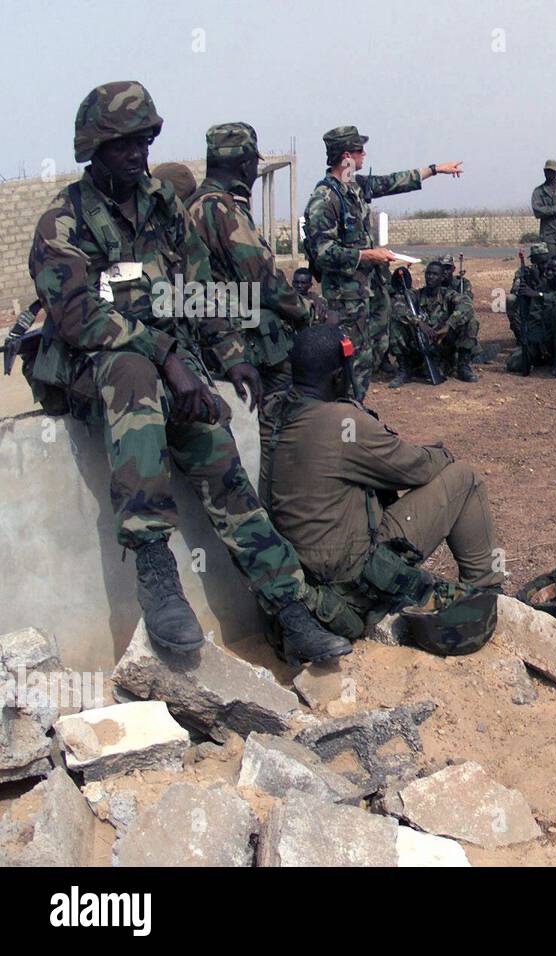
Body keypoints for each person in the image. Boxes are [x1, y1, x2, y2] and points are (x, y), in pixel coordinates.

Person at [27, 80, 348, 663]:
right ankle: (155, 569)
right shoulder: (63, 223)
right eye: (124, 144)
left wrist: (230, 356)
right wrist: (169, 358)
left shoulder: (162, 205)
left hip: (164, 367)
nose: (138, 155)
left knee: (214, 449)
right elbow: (78, 316)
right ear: (93, 148)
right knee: (133, 372)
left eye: (145, 141)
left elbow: (197, 289)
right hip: (92, 368)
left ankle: (289, 608)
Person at [263, 326, 505, 633]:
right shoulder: (342, 422)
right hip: (350, 582)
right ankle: (487, 592)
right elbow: (416, 468)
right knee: (464, 479)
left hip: (305, 579)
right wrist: (442, 454)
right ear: (338, 375)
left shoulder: (275, 414)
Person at [302, 125, 462, 397]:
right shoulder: (324, 199)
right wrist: (368, 255)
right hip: (346, 297)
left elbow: (394, 182)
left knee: (370, 352)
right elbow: (323, 252)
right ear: (345, 156)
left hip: (369, 289)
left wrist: (435, 169)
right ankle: (345, 412)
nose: (364, 154)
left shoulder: (355, 186)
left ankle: (356, 407)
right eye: (358, 150)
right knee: (350, 357)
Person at [188, 123, 311, 399]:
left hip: (214, 333)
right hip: (239, 342)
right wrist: (308, 310)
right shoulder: (222, 209)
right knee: (286, 408)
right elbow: (265, 284)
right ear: (245, 165)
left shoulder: (196, 204)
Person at [414, 257, 479, 383]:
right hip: (423, 344)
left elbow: (467, 304)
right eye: (428, 273)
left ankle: (463, 366)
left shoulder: (448, 294)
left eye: (435, 274)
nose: (430, 277)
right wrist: (418, 322)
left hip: (443, 341)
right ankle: (404, 367)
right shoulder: (416, 295)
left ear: (441, 278)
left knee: (471, 321)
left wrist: (449, 325)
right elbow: (399, 308)